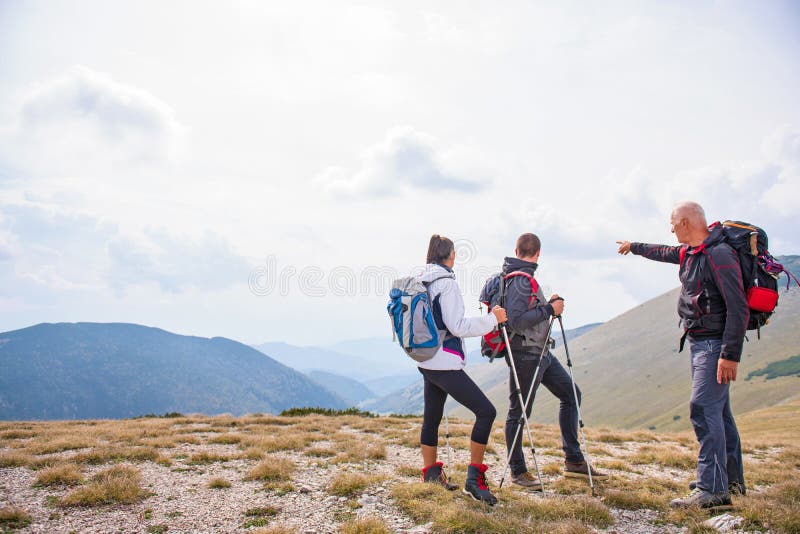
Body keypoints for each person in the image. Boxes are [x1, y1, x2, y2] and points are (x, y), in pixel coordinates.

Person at [617, 201, 747, 509]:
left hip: (715, 346)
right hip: (700, 342)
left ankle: (712, 490)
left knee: (702, 409)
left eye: (673, 222)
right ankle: (730, 480)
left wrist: (730, 353)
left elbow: (738, 306)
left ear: (686, 223)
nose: (671, 227)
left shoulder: (719, 254)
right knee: (720, 413)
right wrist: (634, 247)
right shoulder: (691, 252)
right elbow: (662, 251)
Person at [502, 233, 608, 488]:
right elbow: (516, 319)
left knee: (571, 394)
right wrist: (550, 310)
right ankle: (518, 471)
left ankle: (573, 461)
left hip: (540, 352)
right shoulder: (520, 280)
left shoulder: (521, 276)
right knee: (520, 411)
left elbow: (524, 313)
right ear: (538, 253)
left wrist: (547, 305)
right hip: (526, 354)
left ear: (517, 250)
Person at [416, 234, 507, 505]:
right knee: (486, 411)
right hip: (444, 360)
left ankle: (431, 475)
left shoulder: (421, 279)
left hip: (425, 359)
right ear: (450, 256)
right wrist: (493, 319)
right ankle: (473, 481)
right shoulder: (446, 283)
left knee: (431, 416)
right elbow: (457, 327)